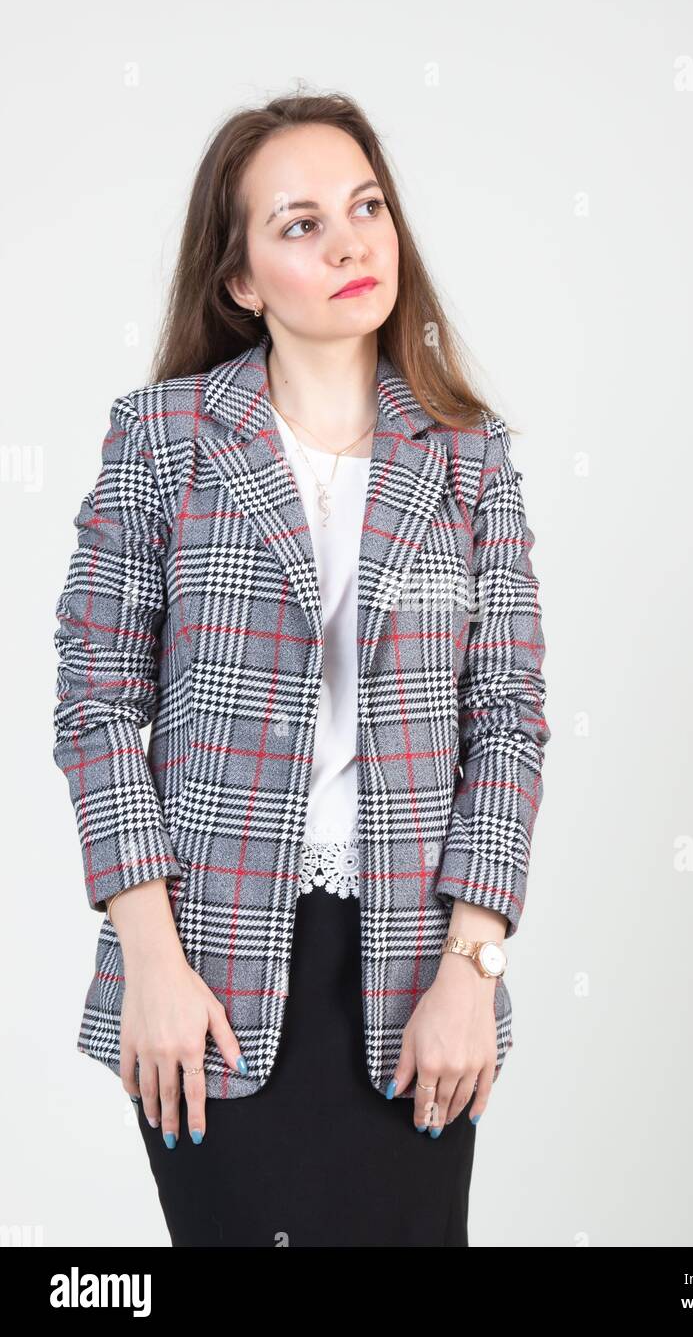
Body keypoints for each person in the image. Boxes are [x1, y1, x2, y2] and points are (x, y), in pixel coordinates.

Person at [52, 89, 550, 1247]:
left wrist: (471, 969)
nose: (348, 241)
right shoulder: (163, 437)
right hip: (206, 974)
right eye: (299, 223)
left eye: (365, 206)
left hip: (413, 981)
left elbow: (508, 719)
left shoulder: (471, 462)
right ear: (239, 280)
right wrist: (152, 962)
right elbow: (96, 703)